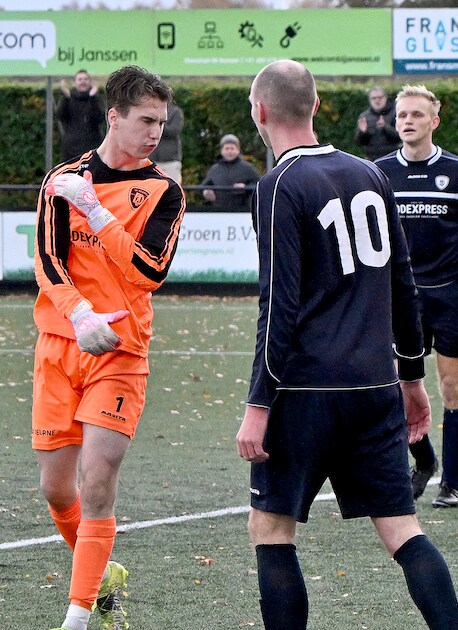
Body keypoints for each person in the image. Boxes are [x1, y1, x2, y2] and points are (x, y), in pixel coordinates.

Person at [236, 60, 458, 630]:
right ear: (315, 108)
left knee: (271, 529)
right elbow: (401, 286)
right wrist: (412, 379)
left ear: (260, 113)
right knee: (401, 529)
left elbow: (279, 307)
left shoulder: (279, 184)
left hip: (306, 391)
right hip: (374, 387)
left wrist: (258, 406)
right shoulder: (370, 174)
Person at [35, 64, 186, 630]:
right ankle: (101, 576)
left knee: (96, 485)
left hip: (121, 350)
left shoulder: (163, 191)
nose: (155, 133)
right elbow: (48, 261)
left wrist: (95, 210)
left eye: (162, 123)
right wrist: (77, 316)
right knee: (55, 490)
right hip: (61, 342)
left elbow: (149, 270)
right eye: (145, 121)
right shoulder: (63, 178)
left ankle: (79, 617)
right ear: (114, 116)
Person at [375, 85, 458, 509]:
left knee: (450, 386)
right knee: (395, 386)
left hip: (452, 295)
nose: (407, 121)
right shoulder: (378, 172)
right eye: (401, 115)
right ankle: (423, 461)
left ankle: (452, 483)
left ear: (434, 121)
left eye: (416, 115)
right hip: (401, 298)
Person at [199, 134, 261, 211]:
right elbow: (202, 187)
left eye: (232, 148)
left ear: (238, 150)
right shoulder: (215, 169)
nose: (229, 151)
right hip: (218, 212)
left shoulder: (247, 168)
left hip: (241, 212)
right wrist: (206, 192)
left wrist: (245, 187)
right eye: (227, 148)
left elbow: (259, 185)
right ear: (221, 150)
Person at [55, 69, 106, 161]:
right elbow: (60, 116)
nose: (83, 82)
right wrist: (66, 97)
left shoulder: (96, 99)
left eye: (86, 79)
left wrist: (93, 98)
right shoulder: (68, 99)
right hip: (71, 148)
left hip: (92, 146)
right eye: (80, 79)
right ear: (75, 83)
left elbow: (100, 118)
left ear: (90, 82)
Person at [356, 85, 401, 161]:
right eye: (374, 98)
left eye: (380, 98)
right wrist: (363, 132)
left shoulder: (396, 113)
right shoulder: (364, 116)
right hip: (372, 159)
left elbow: (400, 137)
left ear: (386, 97)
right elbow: (359, 142)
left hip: (392, 158)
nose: (377, 101)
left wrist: (385, 127)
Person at [148, 102, 184, 183]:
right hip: (153, 160)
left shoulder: (176, 112)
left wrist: (158, 124)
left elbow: (174, 131)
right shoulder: (151, 111)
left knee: (172, 189)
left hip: (170, 161)